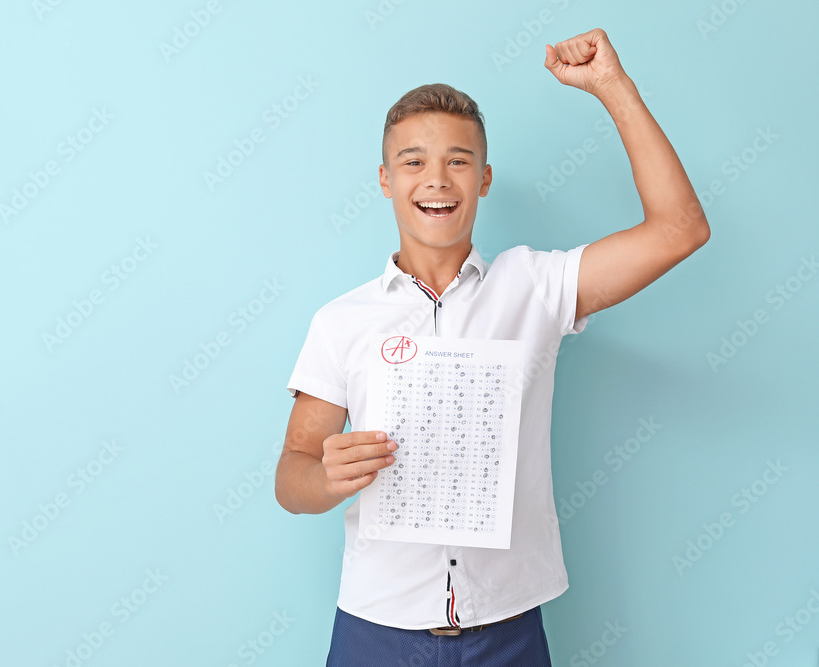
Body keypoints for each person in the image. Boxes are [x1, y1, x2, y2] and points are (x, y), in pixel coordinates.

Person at [275, 28, 709, 666]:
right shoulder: (343, 320)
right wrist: (325, 477)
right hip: (377, 629)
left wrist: (612, 86)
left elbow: (679, 229)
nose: (436, 178)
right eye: (413, 161)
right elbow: (293, 473)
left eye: (458, 159)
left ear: (483, 178)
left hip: (508, 628)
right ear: (385, 178)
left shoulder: (536, 286)